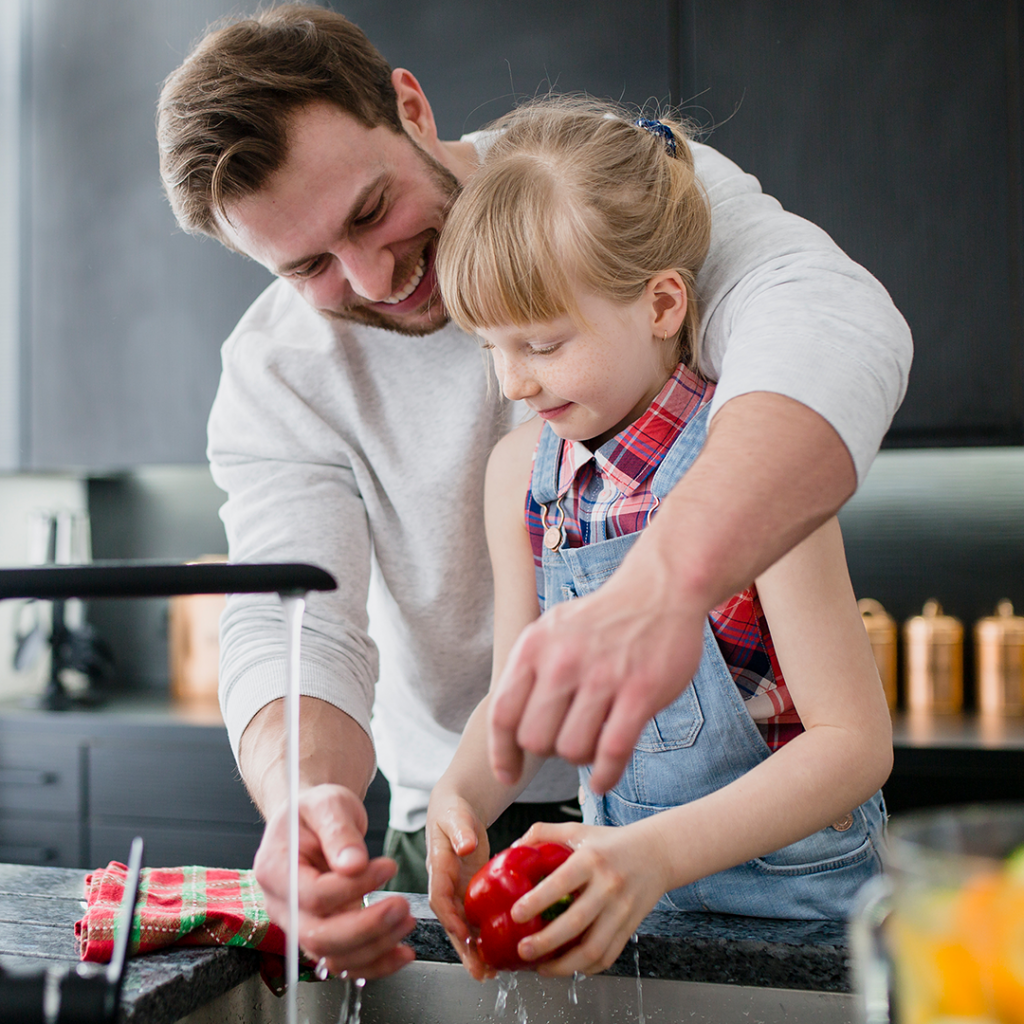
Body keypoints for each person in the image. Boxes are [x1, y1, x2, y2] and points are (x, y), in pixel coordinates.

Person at [155, 5, 911, 980]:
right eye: (307, 266)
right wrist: (307, 799)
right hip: (511, 833)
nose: (375, 277)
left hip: (776, 879)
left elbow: (829, 318)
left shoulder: (603, 185)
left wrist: (667, 586)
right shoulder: (288, 381)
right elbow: (296, 623)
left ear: (411, 109)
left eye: (367, 210)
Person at [425, 97, 893, 978]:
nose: (514, 382)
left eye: (544, 343)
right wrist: (462, 791)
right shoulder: (518, 477)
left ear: (662, 304)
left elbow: (853, 747)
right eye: (490, 348)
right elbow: (515, 702)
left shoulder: (754, 462)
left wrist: (654, 855)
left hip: (806, 916)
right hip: (627, 912)